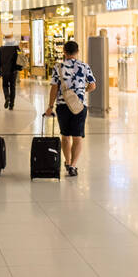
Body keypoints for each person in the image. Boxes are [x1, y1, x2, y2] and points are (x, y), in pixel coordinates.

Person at [44, 40, 96, 177]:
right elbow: (92, 85)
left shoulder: (58, 67)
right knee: (77, 137)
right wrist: (81, 91)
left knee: (65, 136)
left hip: (63, 106)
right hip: (79, 106)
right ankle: (73, 165)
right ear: (77, 51)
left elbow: (54, 88)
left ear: (64, 52)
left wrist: (50, 106)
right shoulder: (85, 66)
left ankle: (67, 162)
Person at [0, 42, 20, 109]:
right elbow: (20, 56)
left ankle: (7, 97)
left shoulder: (1, 48)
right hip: (13, 71)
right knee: (13, 87)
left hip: (5, 71)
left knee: (5, 85)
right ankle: (11, 104)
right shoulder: (15, 47)